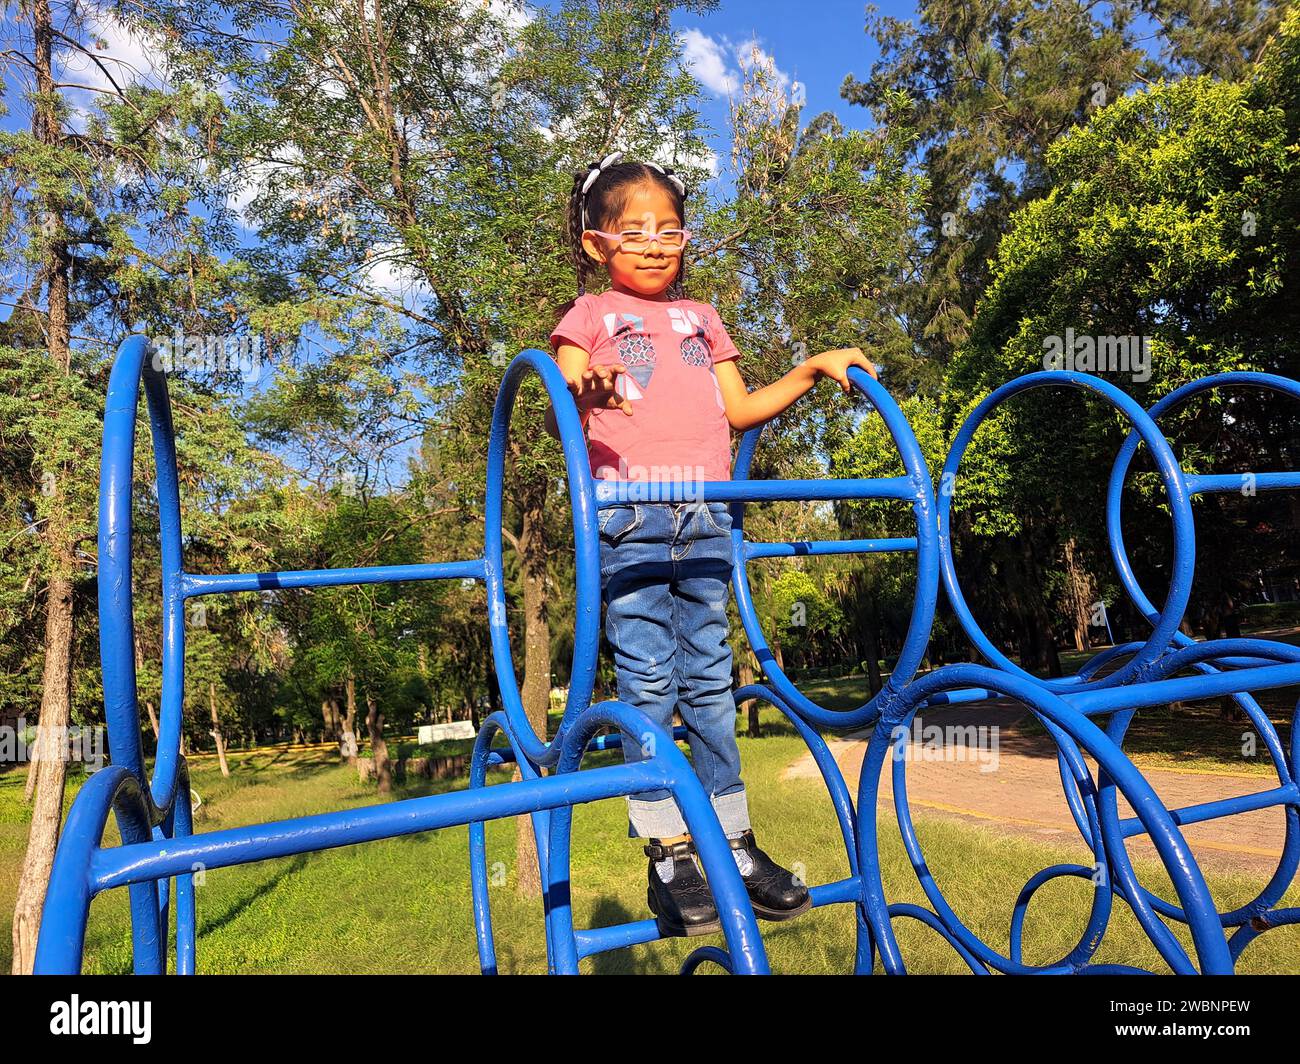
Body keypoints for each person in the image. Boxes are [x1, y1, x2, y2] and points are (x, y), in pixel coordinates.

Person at [544, 151, 876, 937]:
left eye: (671, 229)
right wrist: (586, 386)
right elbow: (566, 388)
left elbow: (739, 410)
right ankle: (670, 857)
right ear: (598, 244)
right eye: (636, 233)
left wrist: (810, 368)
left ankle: (733, 842)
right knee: (649, 686)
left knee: (714, 692)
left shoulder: (703, 318)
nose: (657, 245)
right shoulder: (591, 313)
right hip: (630, 518)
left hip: (707, 516)